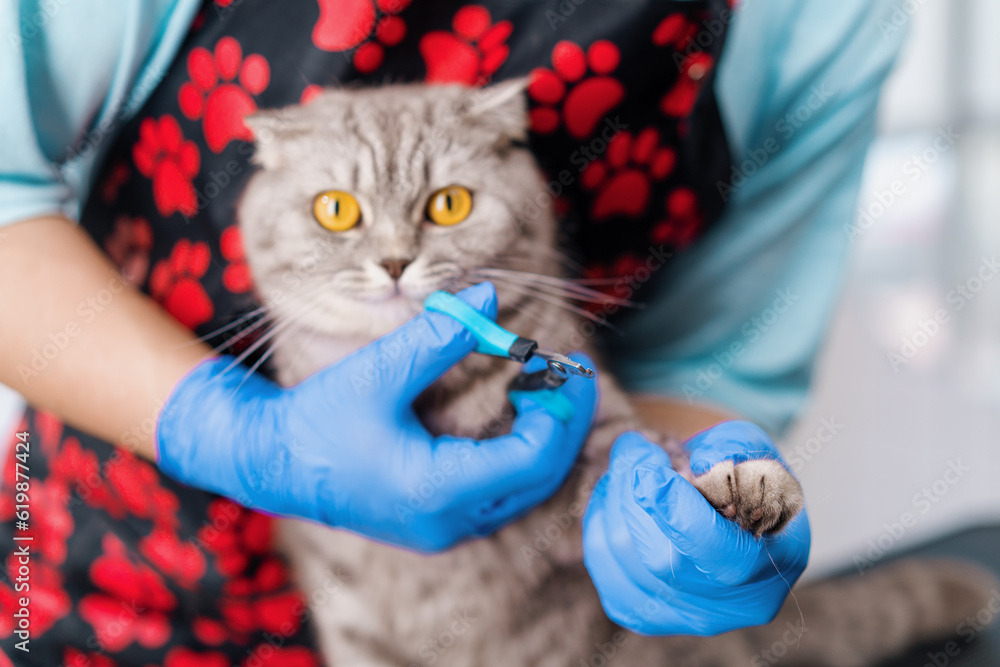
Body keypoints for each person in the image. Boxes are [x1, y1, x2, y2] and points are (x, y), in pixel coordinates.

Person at [0, 0, 904, 663]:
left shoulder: (819, 17)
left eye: (447, 206)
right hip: (108, 581)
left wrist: (686, 520)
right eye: (341, 211)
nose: (393, 254)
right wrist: (223, 428)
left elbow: (709, 360)